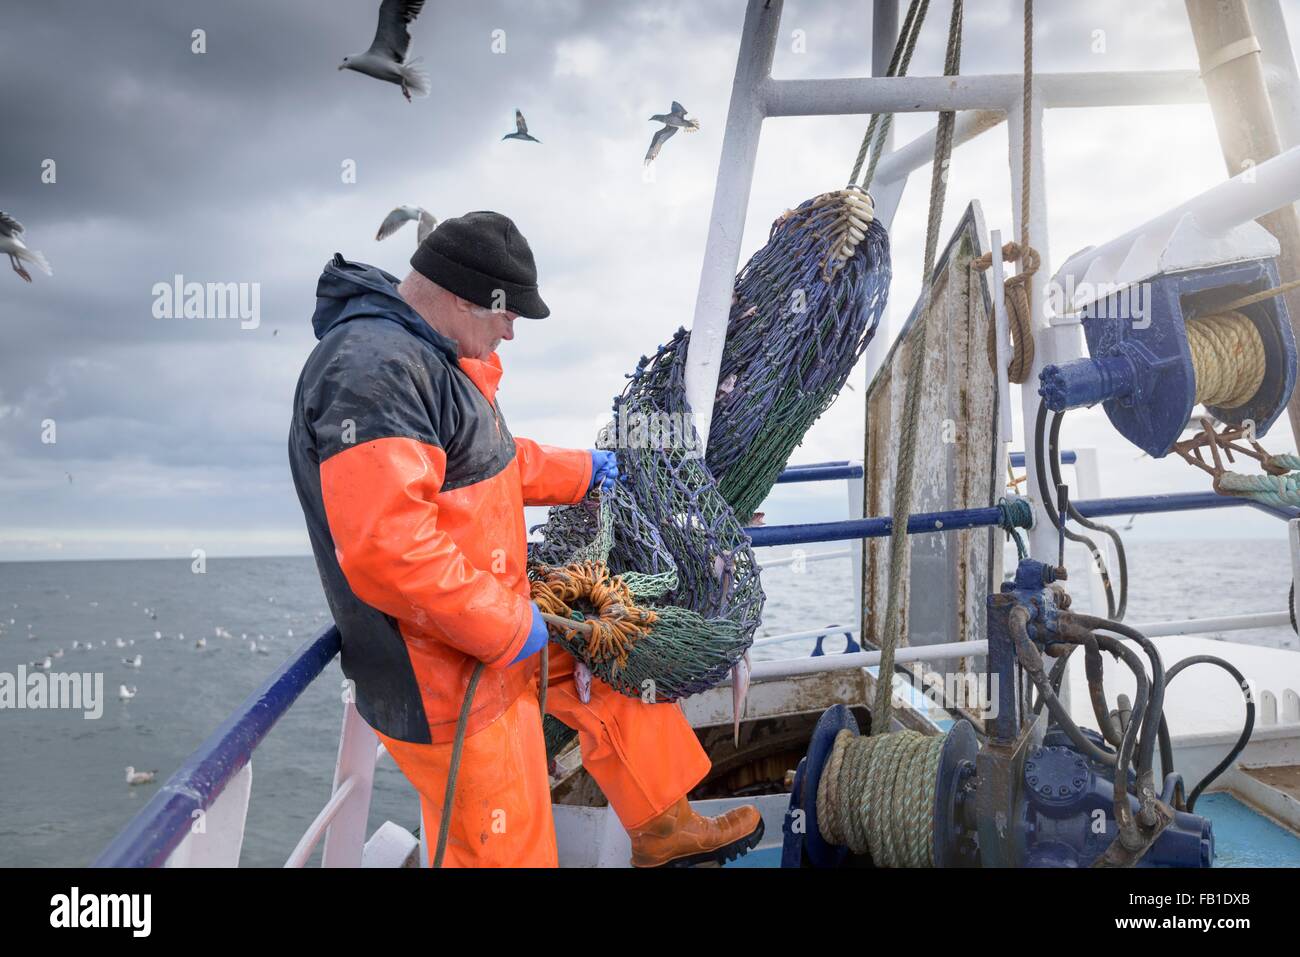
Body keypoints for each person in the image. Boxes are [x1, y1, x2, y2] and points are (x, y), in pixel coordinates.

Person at [287, 210, 763, 867]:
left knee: (616, 659)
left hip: (485, 632)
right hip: (444, 678)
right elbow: (388, 551)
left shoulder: (428, 356)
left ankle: (665, 825)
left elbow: (490, 461)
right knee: (506, 848)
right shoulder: (374, 371)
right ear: (459, 295)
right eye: (506, 313)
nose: (512, 329)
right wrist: (510, 624)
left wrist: (584, 472)